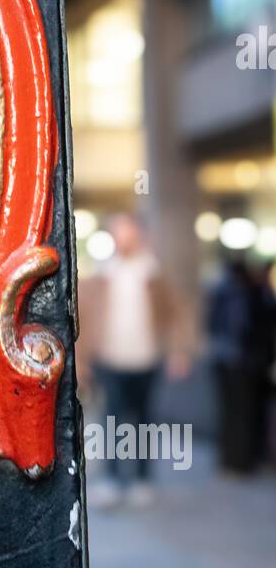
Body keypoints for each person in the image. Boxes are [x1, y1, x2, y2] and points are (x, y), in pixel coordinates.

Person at [78, 212, 192, 506]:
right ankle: (115, 478)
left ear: (139, 234)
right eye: (117, 232)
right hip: (110, 359)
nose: (121, 238)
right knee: (113, 420)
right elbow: (86, 319)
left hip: (147, 359)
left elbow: (177, 313)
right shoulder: (103, 274)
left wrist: (179, 350)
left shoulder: (155, 273)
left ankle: (142, 479)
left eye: (126, 231)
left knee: (143, 420)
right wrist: (82, 359)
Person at [207, 257, 275, 473]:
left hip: (237, 361)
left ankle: (237, 459)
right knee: (241, 412)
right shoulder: (243, 294)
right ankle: (239, 459)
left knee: (236, 413)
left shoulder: (228, 292)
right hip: (241, 362)